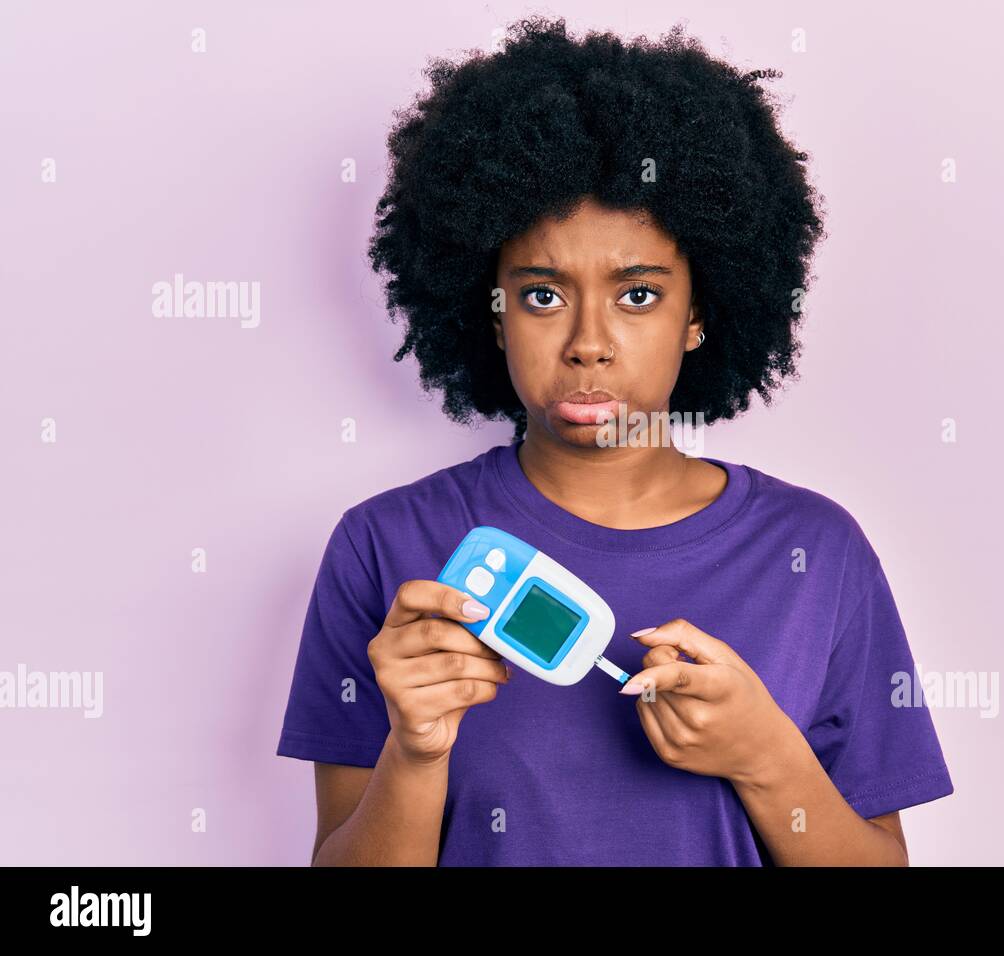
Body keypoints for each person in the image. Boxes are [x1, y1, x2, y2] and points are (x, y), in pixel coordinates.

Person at [276, 15, 954, 866]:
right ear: (487, 315)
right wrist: (416, 751)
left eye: (637, 295)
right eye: (541, 295)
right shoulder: (385, 547)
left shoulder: (817, 552)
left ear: (700, 314)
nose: (587, 342)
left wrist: (767, 758)